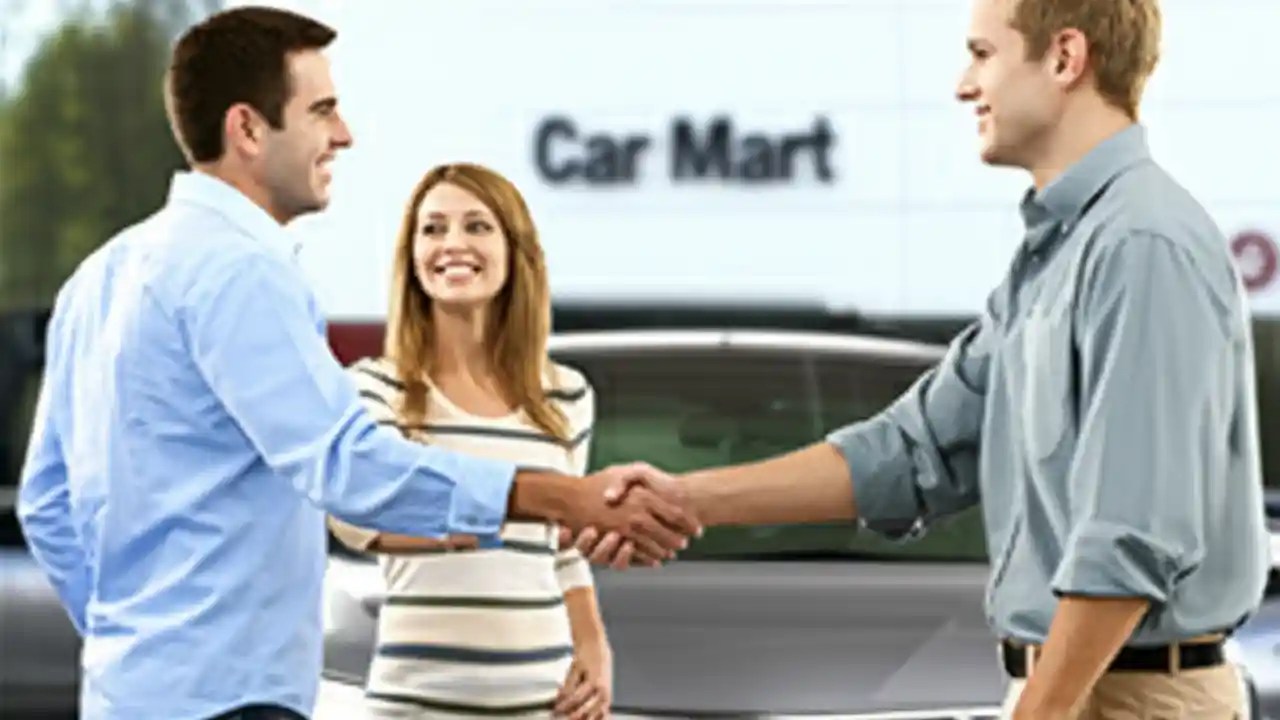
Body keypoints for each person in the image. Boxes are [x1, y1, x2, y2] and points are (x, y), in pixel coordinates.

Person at [570, 0, 1270, 717]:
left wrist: (1039, 712)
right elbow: (909, 452)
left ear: (1065, 58)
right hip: (1071, 691)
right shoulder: (1054, 257)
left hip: (1129, 697)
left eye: (982, 54)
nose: (964, 85)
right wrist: (685, 500)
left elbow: (1132, 538)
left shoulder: (1141, 246)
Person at [15, 8, 697, 720]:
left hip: (128, 696)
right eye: (322, 112)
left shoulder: (100, 275)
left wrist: (138, 646)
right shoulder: (244, 272)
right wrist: (562, 497)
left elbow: (48, 503)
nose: (344, 135)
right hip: (232, 701)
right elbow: (347, 466)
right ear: (247, 129)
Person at [328, 163, 612, 720]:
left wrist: (595, 646)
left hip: (545, 703)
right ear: (411, 258)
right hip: (414, 703)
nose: (452, 243)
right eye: (432, 229)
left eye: (477, 226)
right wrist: (504, 507)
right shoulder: (375, 387)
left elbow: (564, 547)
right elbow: (363, 520)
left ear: (516, 250)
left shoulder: (567, 395)